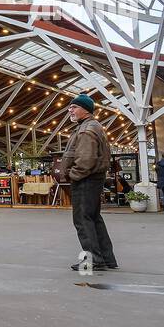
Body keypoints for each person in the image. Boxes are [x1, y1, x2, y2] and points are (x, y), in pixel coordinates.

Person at [60, 94, 118, 270]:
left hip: (85, 180)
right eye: (70, 107)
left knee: (83, 219)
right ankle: (106, 259)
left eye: (74, 107)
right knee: (93, 218)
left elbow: (86, 159)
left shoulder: (87, 130)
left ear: (86, 109)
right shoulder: (90, 126)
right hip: (93, 179)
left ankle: (94, 260)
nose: (70, 110)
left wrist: (73, 175)